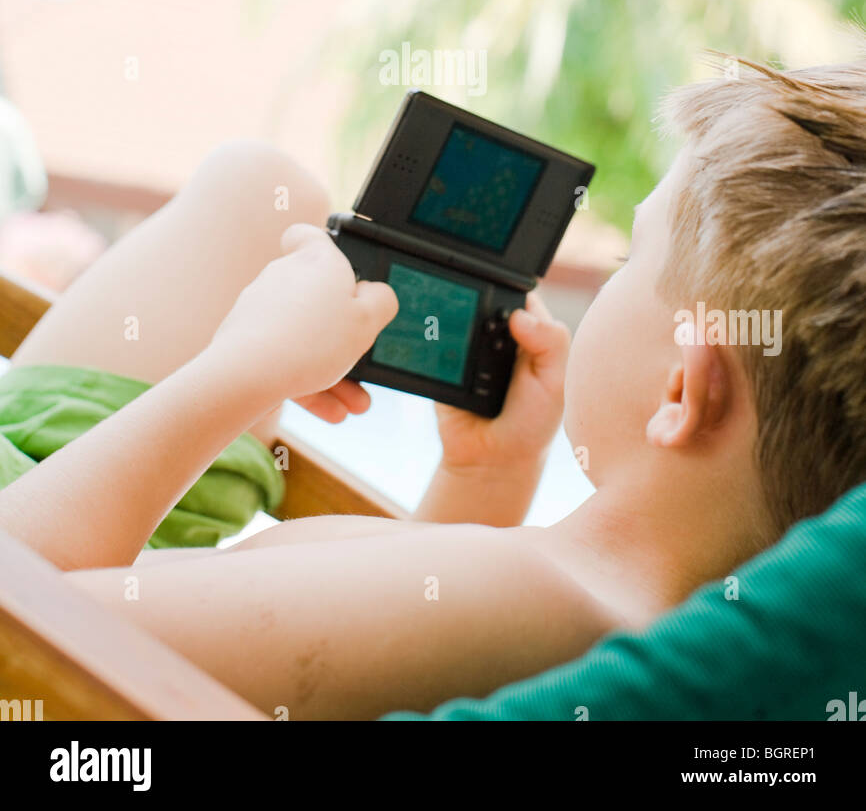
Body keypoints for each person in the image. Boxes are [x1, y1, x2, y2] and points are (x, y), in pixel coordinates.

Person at [1, 55, 865, 720]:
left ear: (683, 387)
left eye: (631, 259)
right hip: (124, 557)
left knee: (255, 185)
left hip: (38, 548)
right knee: (261, 197)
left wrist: (244, 368)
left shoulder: (546, 608)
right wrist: (490, 474)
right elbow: (387, 641)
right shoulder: (588, 609)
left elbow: (26, 635)